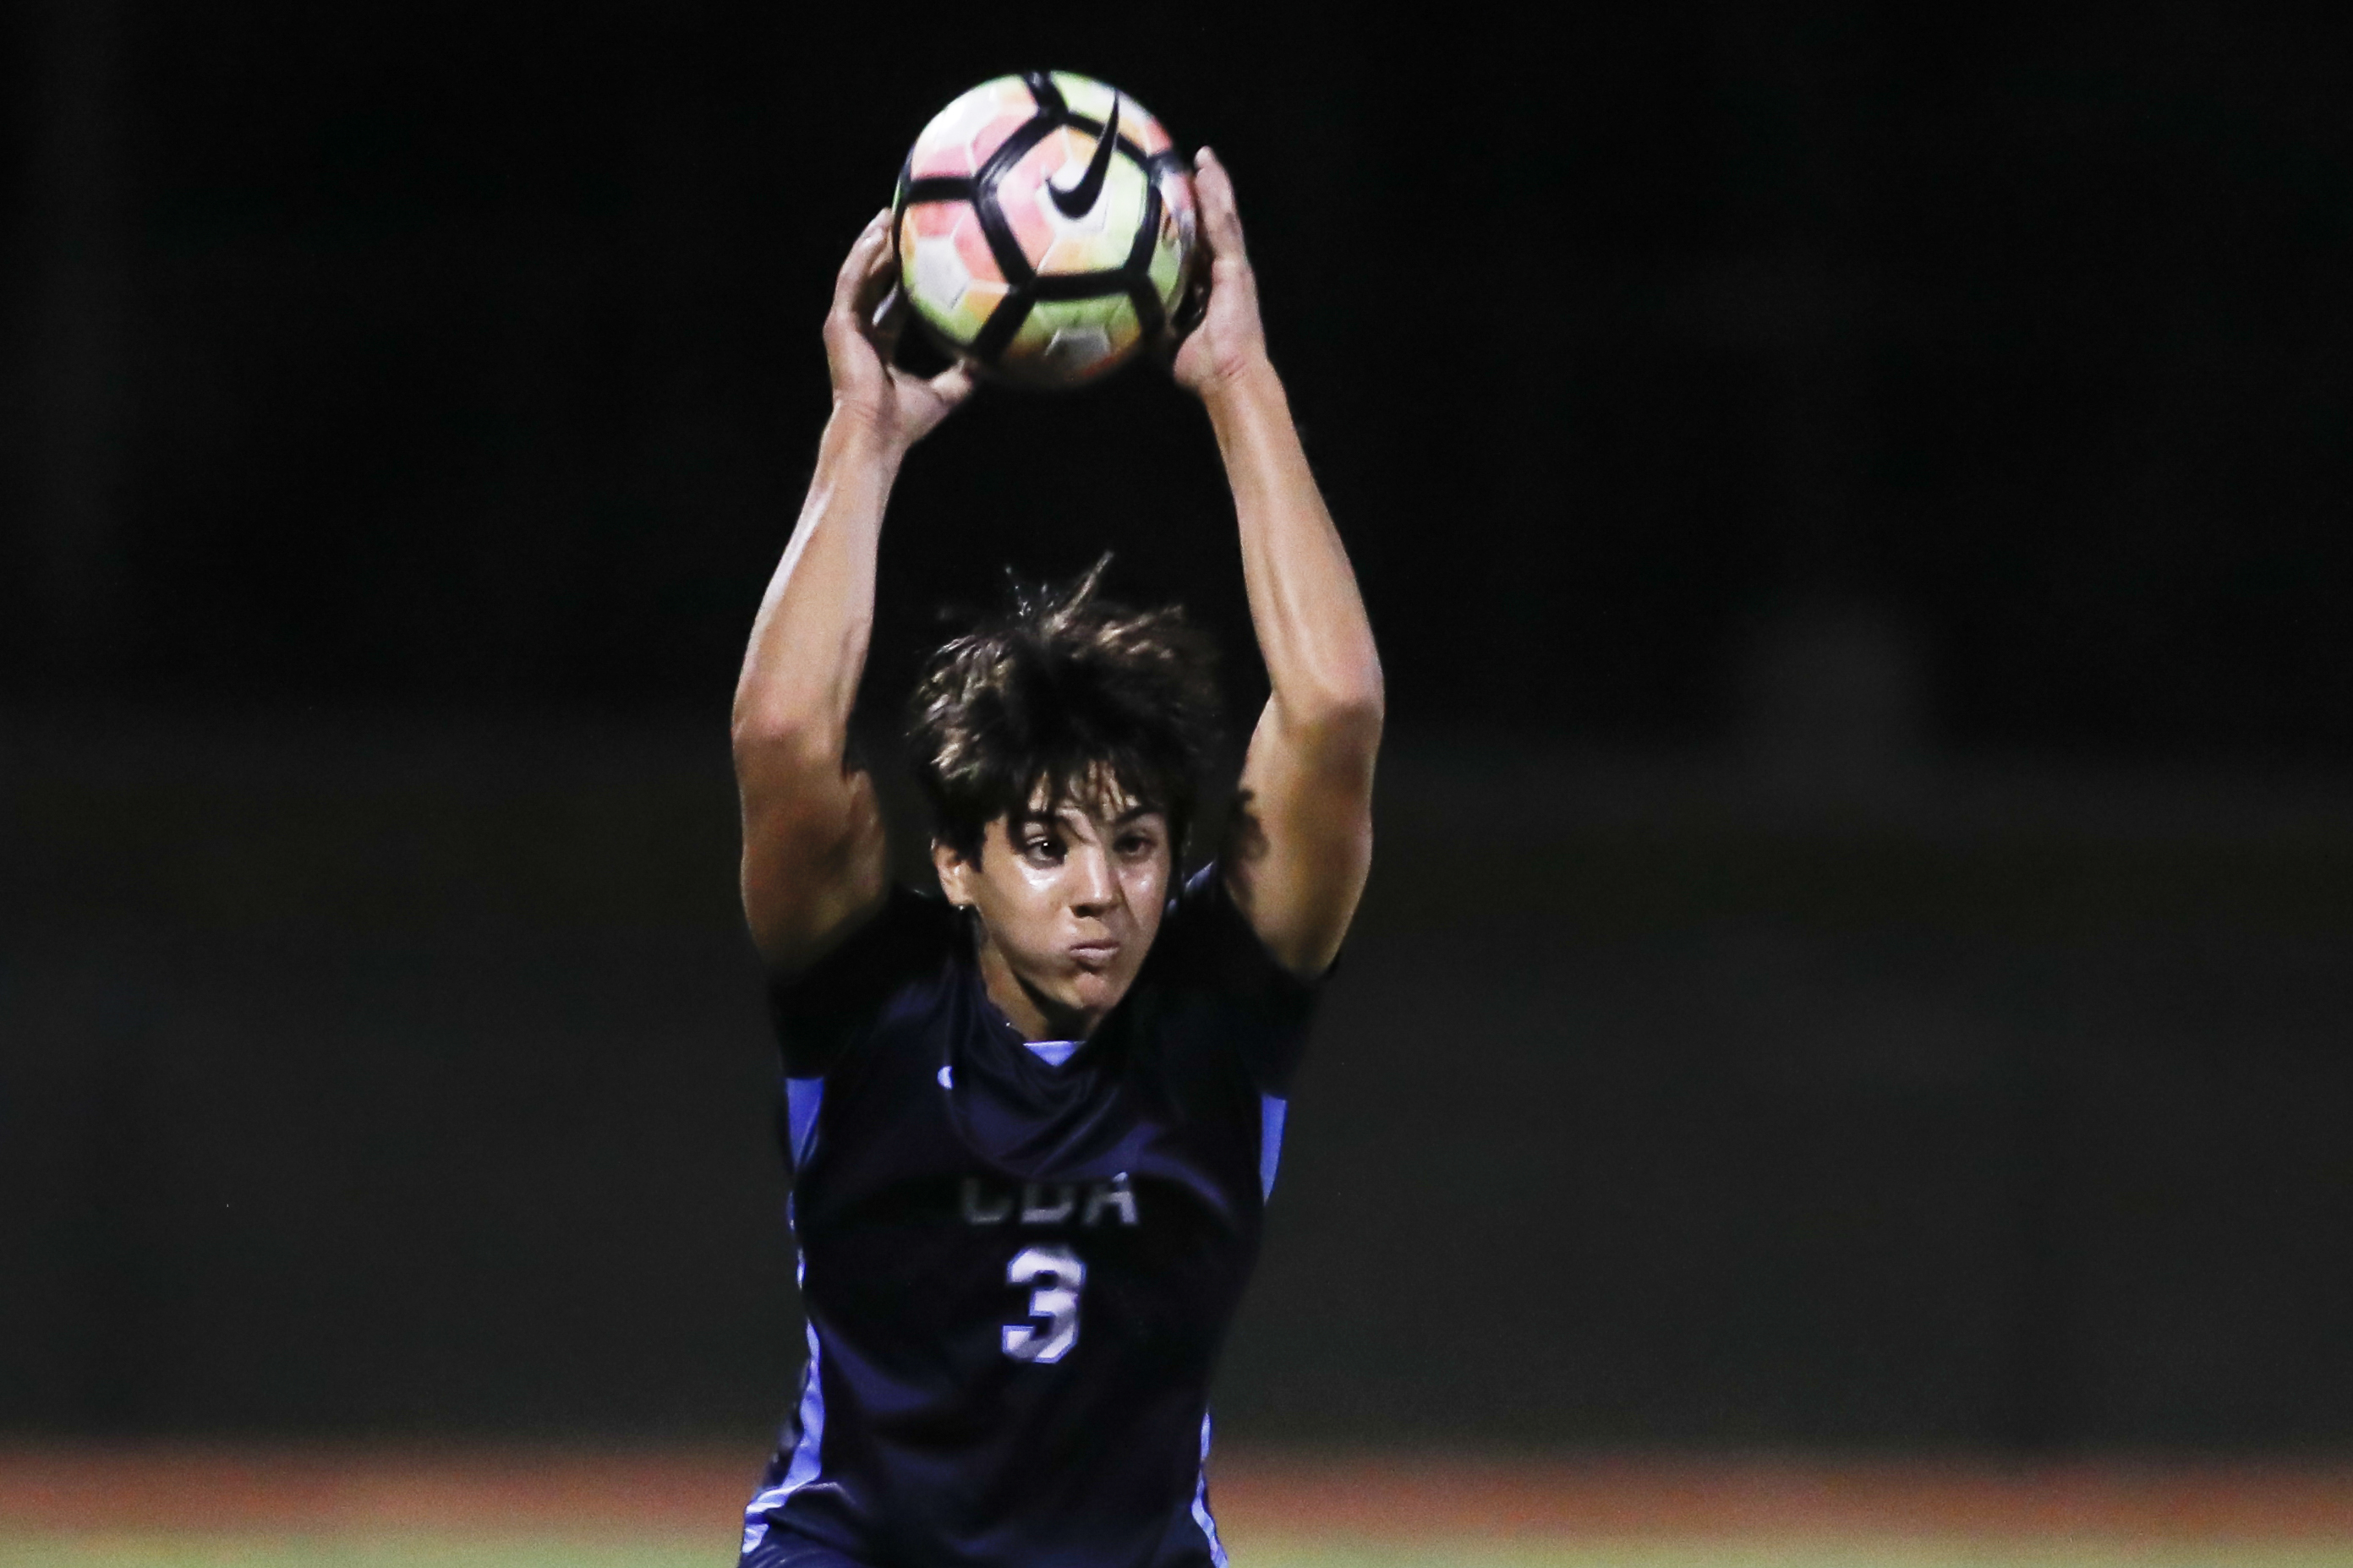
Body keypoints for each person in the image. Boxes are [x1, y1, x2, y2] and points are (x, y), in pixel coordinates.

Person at [730, 148, 1382, 1568]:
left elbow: (1331, 715)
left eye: (1139, 843)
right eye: (1044, 844)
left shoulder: (1218, 1010)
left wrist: (1236, 381)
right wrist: (867, 436)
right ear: (953, 864)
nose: (1104, 890)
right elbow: (783, 745)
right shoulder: (871, 1003)